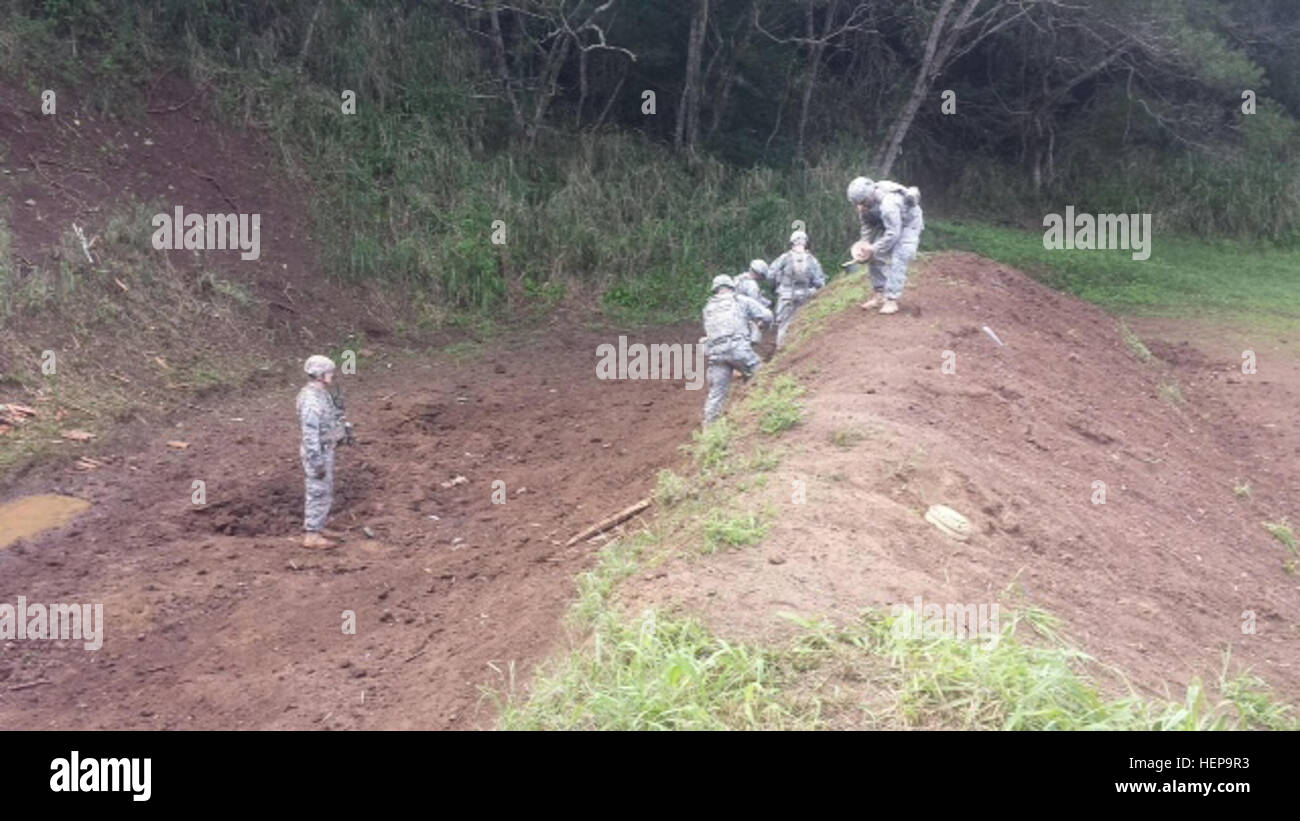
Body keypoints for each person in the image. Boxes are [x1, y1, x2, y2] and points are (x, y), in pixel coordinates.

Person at [847, 176, 924, 315]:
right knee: (873, 255)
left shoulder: (889, 204)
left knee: (900, 256)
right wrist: (864, 246)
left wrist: (873, 247)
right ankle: (879, 294)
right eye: (857, 204)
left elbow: (893, 234)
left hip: (908, 223)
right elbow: (867, 226)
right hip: (888, 223)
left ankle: (891, 300)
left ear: (870, 195)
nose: (861, 207)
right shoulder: (863, 206)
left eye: (863, 202)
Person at [702, 275, 772, 425]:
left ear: (715, 290)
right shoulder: (740, 300)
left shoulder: (708, 308)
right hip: (738, 349)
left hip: (716, 354)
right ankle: (766, 412)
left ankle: (709, 430)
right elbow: (767, 315)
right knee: (764, 376)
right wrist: (761, 327)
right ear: (732, 287)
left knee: (716, 394)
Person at [297, 355, 349, 548]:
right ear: (319, 375)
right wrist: (316, 461)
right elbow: (310, 434)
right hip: (317, 452)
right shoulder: (311, 401)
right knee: (317, 491)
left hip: (325, 449)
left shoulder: (321, 394)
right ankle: (312, 535)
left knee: (325, 490)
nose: (332, 375)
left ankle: (318, 525)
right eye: (329, 372)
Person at [766, 230, 825, 348]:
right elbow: (820, 282)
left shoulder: (784, 258)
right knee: (804, 324)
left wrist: (775, 287)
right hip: (806, 297)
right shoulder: (812, 260)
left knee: (783, 325)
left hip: (786, 296)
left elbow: (770, 275)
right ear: (806, 242)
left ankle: (781, 351)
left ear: (791, 242)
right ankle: (800, 349)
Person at [733, 259, 772, 343]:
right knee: (754, 336)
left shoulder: (738, 279)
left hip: (730, 312)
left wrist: (766, 301)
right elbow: (754, 303)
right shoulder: (752, 285)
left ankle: (700, 353)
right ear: (759, 274)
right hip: (742, 314)